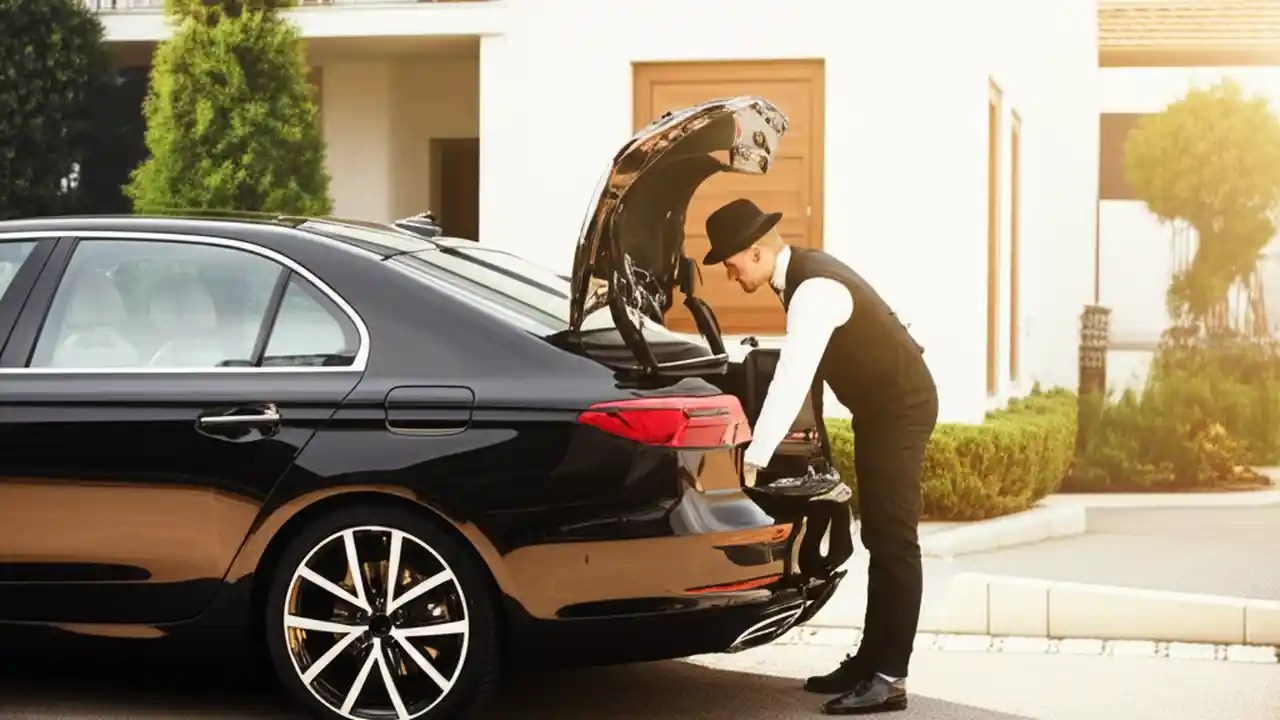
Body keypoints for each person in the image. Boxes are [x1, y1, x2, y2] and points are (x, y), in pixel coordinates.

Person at [701, 198, 938, 716]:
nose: (729, 271)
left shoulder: (814, 290)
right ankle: (870, 659)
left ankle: (889, 676)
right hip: (878, 410)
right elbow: (821, 378)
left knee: (895, 539)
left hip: (901, 408)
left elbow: (794, 378)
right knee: (878, 534)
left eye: (732, 260)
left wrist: (754, 456)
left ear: (757, 250)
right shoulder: (803, 282)